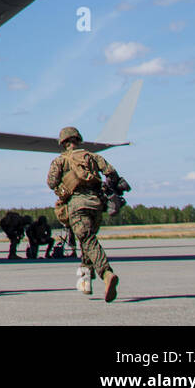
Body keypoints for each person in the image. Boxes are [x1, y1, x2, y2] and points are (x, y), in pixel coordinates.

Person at [47, 126, 124, 302]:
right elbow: (111, 173)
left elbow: (51, 182)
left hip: (77, 205)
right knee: (87, 242)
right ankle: (85, 281)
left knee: (88, 240)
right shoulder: (93, 156)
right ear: (78, 139)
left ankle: (106, 274)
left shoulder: (60, 161)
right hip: (97, 205)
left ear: (63, 142)